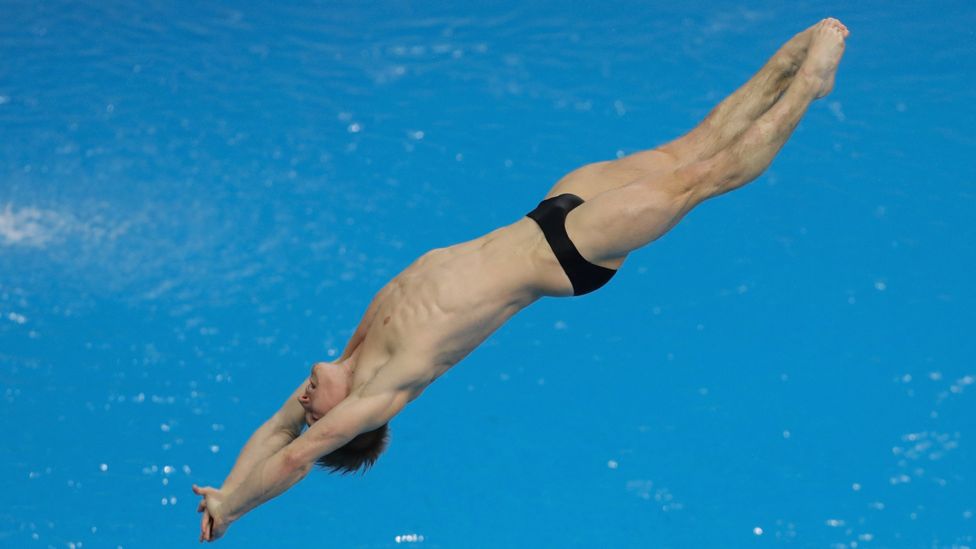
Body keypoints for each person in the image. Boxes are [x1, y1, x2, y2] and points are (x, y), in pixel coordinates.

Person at [193, 18, 850, 542]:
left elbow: (276, 432)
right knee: (702, 178)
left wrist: (225, 489)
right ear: (341, 421)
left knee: (688, 145)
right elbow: (294, 456)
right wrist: (240, 512)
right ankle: (808, 89)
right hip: (568, 255)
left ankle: (796, 58)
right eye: (313, 413)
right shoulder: (380, 391)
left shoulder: (348, 359)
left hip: (550, 210)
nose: (301, 402)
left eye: (303, 405)